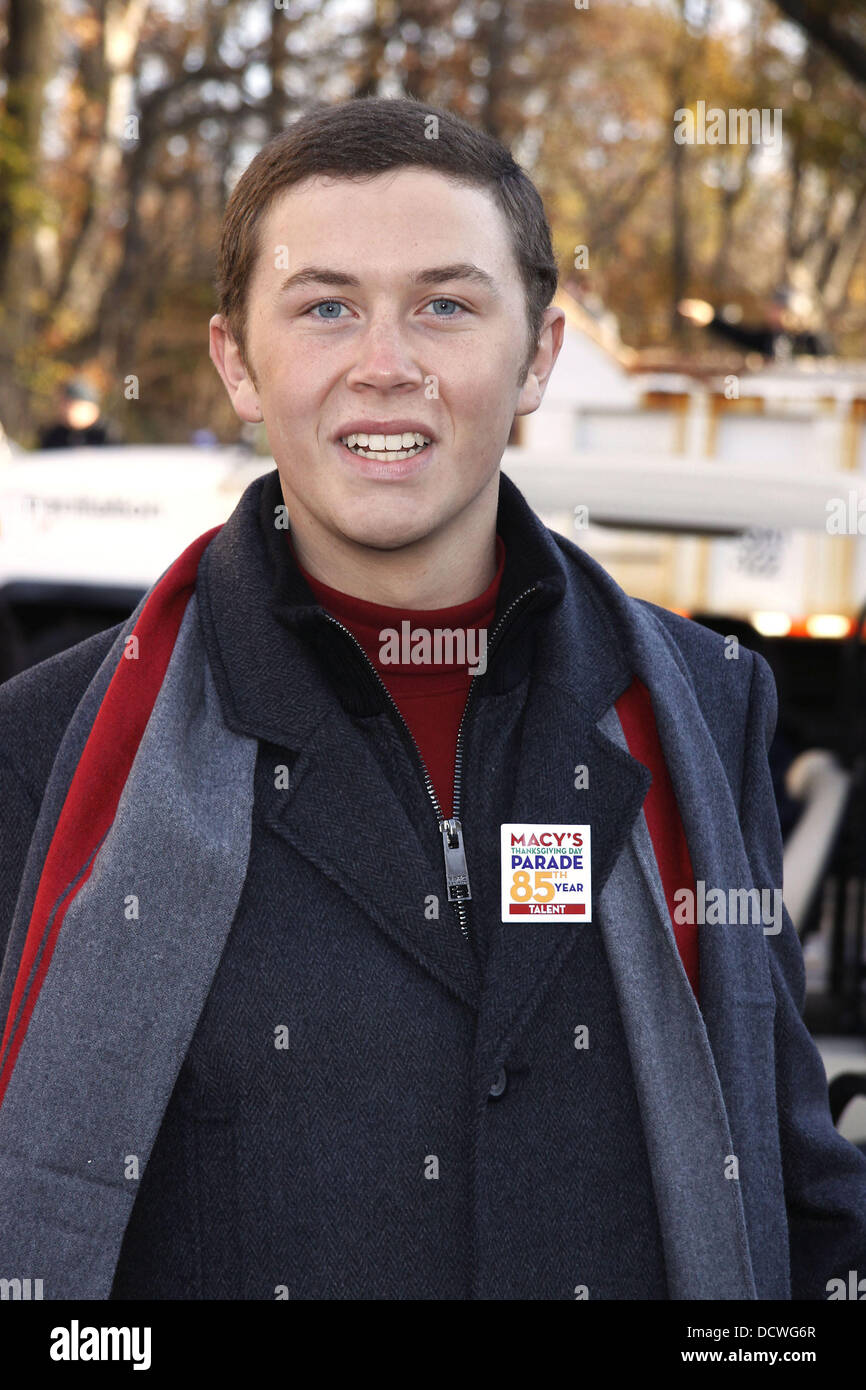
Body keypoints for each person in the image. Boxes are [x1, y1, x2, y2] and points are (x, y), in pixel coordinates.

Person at [0, 97, 864, 1303]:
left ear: (538, 357)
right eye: (326, 308)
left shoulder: (702, 712)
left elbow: (792, 1176)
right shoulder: (50, 746)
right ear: (237, 363)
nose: (385, 365)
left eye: (444, 305)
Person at [37, 377, 113, 448]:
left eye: (70, 404)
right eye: (63, 404)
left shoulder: (109, 435)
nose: (65, 410)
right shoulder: (53, 436)